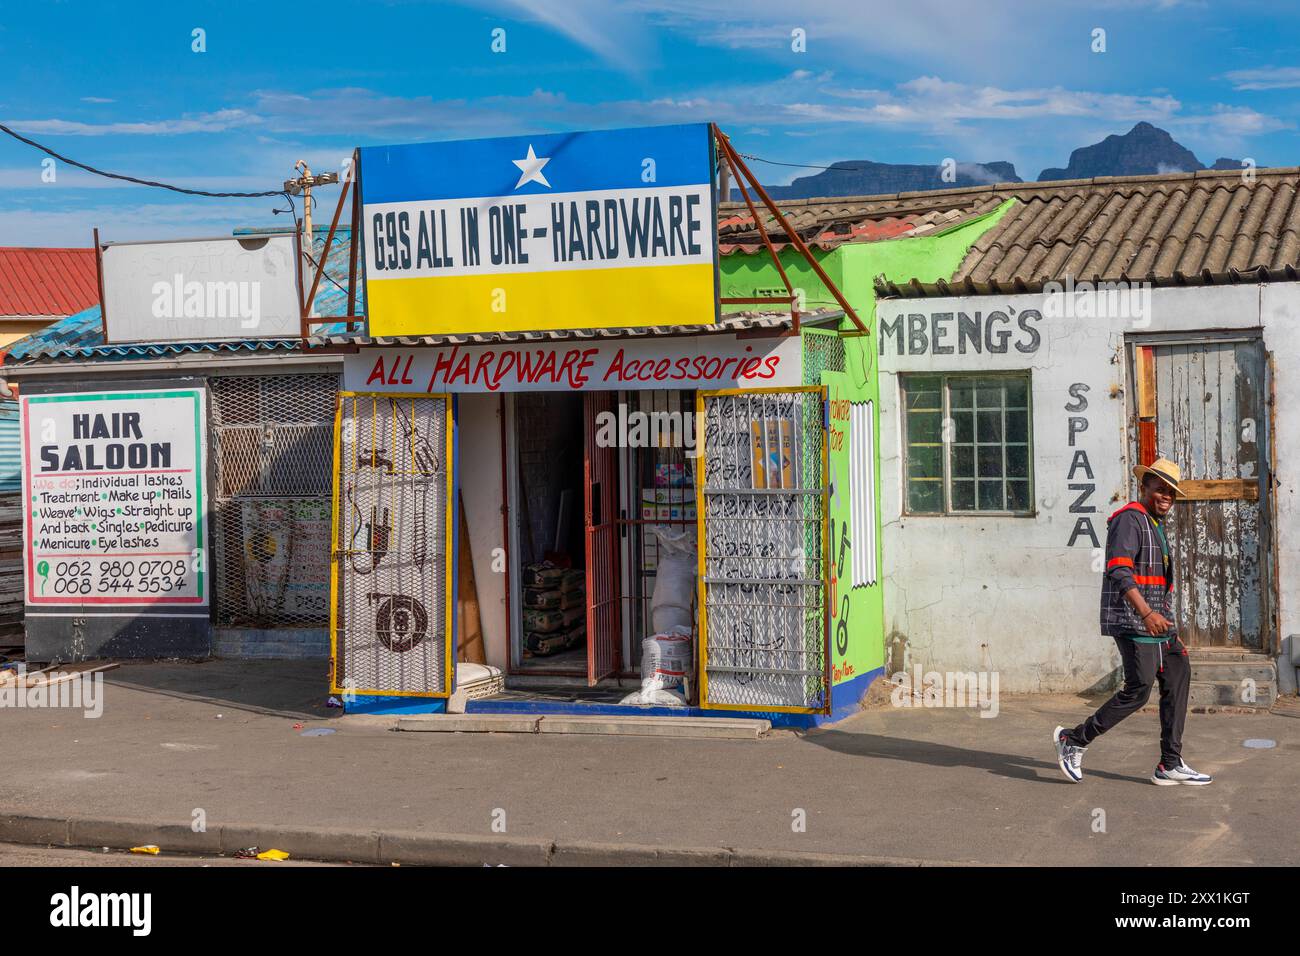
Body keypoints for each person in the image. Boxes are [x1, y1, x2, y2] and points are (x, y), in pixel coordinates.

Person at [1054, 458, 1212, 786]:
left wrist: (1170, 628)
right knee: (1139, 689)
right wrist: (1146, 614)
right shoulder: (1129, 520)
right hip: (1132, 620)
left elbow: (1158, 584)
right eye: (1160, 489)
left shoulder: (1153, 525)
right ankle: (1074, 740)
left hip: (1156, 625)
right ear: (1144, 488)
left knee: (1179, 670)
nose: (1166, 496)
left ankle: (1170, 762)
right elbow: (1119, 570)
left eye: (1171, 492)